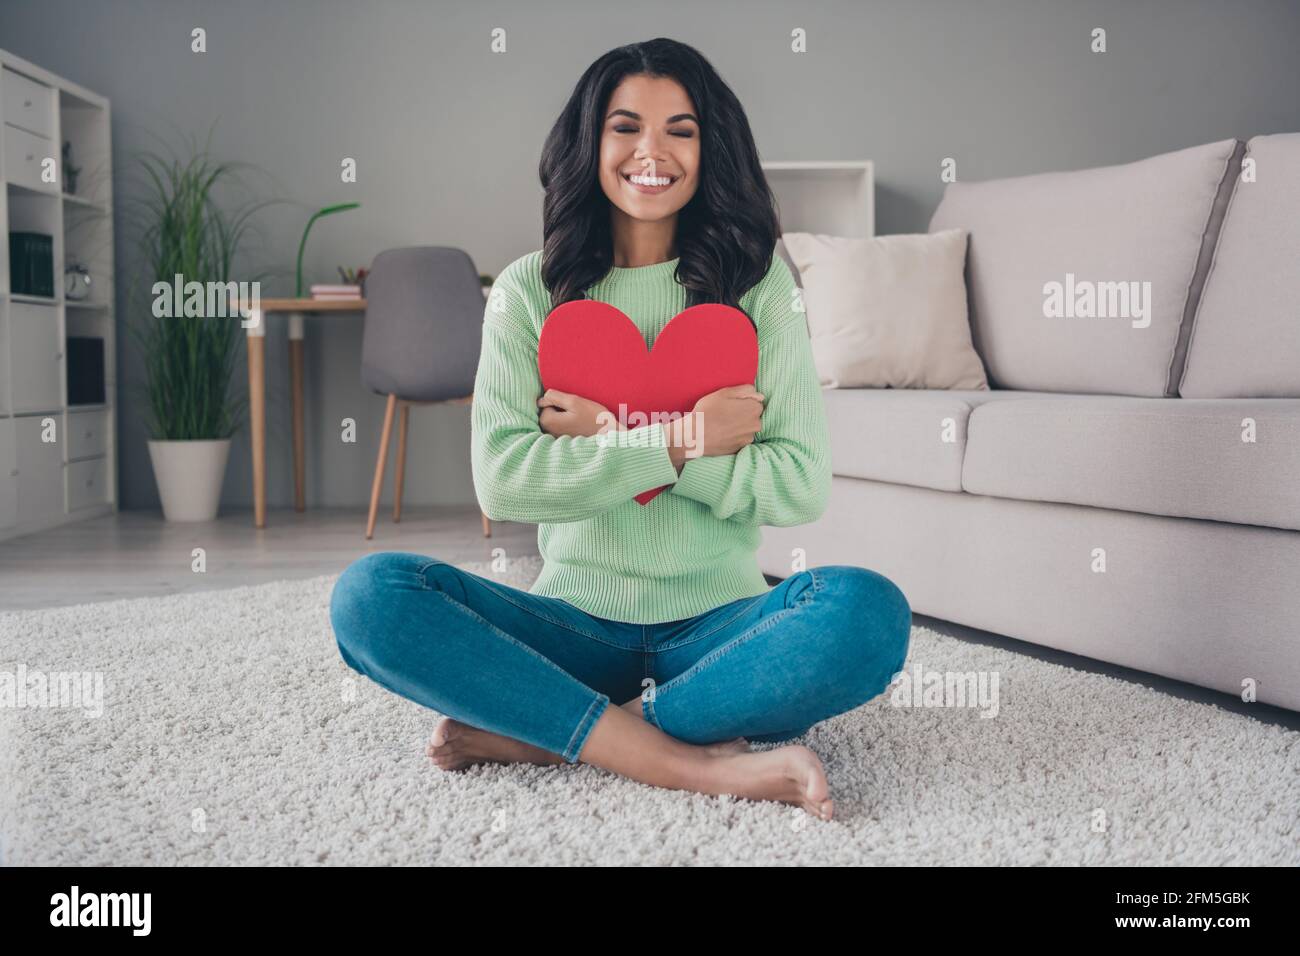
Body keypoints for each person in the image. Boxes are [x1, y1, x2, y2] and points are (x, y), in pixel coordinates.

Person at [330, 38, 911, 821]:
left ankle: (555, 735)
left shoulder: (760, 283)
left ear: (712, 148)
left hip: (721, 629)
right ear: (588, 142)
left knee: (865, 613)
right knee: (371, 598)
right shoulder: (527, 290)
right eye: (625, 126)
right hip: (570, 624)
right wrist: (680, 442)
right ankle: (696, 763)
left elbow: (800, 485)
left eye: (681, 129)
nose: (652, 152)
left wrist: (607, 434)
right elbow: (504, 480)